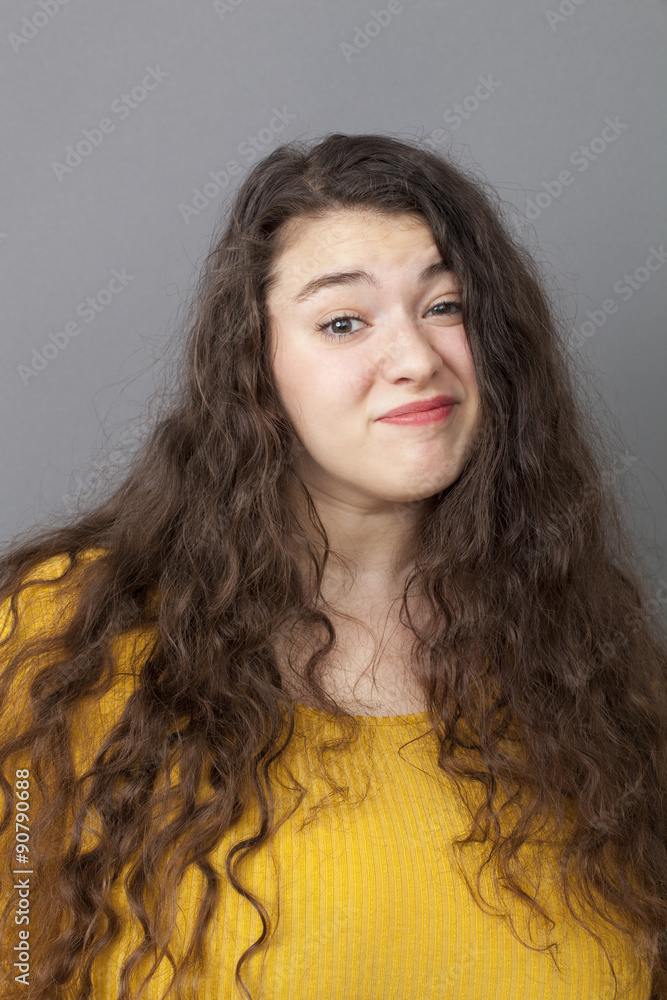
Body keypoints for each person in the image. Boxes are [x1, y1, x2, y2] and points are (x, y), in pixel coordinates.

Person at [0, 133, 665, 1000]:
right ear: (256, 367)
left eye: (447, 306)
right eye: (343, 321)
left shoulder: (594, 677)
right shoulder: (56, 643)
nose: (415, 360)